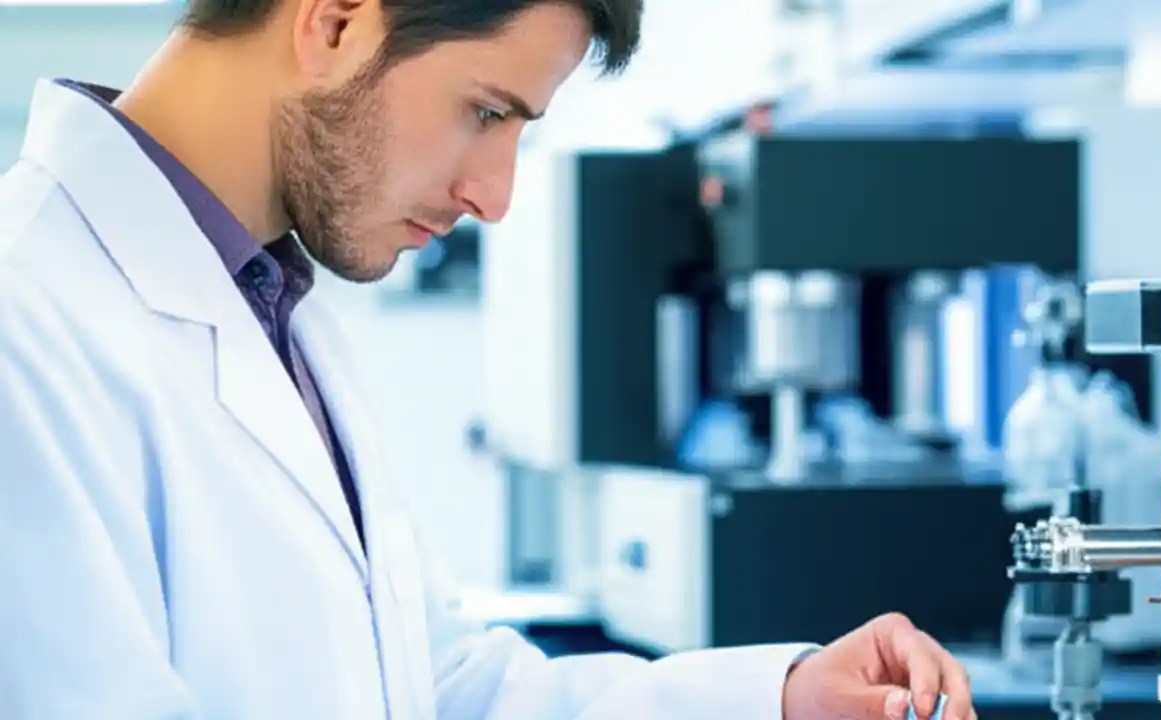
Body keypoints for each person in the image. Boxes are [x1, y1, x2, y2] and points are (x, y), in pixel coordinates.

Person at [0, 1, 976, 718]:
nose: (494, 194)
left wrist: (782, 698)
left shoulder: (270, 307)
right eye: (484, 110)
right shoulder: (27, 321)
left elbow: (433, 685)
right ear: (334, 23)